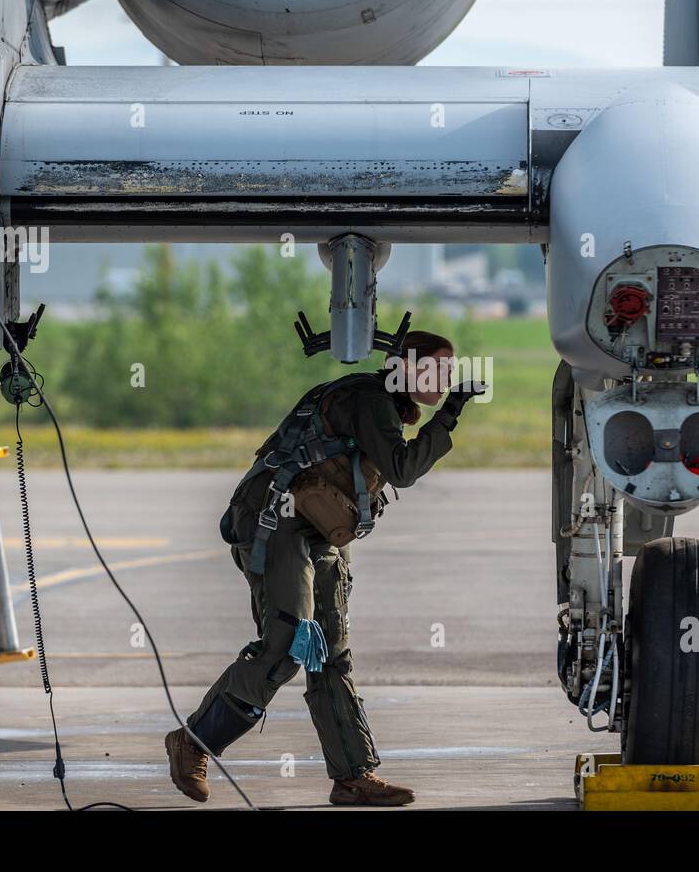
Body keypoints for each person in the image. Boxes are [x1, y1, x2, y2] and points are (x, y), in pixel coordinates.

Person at [165, 330, 484, 806]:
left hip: (320, 532)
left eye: (448, 372)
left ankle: (352, 776)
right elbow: (402, 470)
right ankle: (193, 743)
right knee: (286, 645)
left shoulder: (379, 403)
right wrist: (451, 416)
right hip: (279, 526)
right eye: (435, 370)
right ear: (405, 369)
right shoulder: (368, 399)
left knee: (331, 653)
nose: (443, 380)